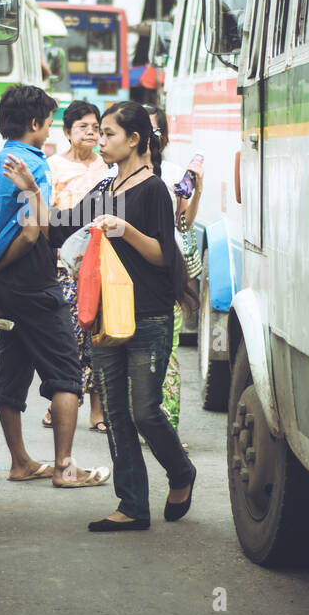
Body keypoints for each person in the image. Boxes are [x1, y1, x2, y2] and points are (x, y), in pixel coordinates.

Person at [5, 101, 198, 531]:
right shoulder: (106, 188)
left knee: (145, 411)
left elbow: (166, 257)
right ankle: (132, 505)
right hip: (105, 318)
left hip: (148, 316)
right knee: (114, 414)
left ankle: (181, 471)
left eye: (108, 133)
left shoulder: (152, 190)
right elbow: (56, 228)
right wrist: (32, 192)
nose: (100, 140)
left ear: (134, 139)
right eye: (99, 132)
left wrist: (125, 230)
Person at [0, 85, 111, 488]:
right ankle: (64, 467)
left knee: (12, 369)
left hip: (5, 289)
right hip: (34, 280)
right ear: (34, 123)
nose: (50, 132)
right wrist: (0, 264)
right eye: (50, 123)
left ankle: (20, 462)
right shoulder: (33, 165)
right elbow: (34, 231)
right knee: (67, 374)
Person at [40, 101, 109, 434]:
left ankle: (97, 409)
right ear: (67, 132)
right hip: (63, 265)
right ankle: (62, 402)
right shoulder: (52, 166)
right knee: (67, 336)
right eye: (83, 126)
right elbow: (45, 215)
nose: (91, 132)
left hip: (100, 264)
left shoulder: (107, 167)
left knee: (97, 335)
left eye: (96, 127)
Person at [142, 105, 204, 450]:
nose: (147, 137)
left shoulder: (174, 174)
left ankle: (168, 427)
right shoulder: (116, 173)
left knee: (169, 349)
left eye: (153, 130)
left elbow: (183, 225)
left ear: (162, 136)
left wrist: (198, 190)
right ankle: (142, 419)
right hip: (128, 273)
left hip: (169, 270)